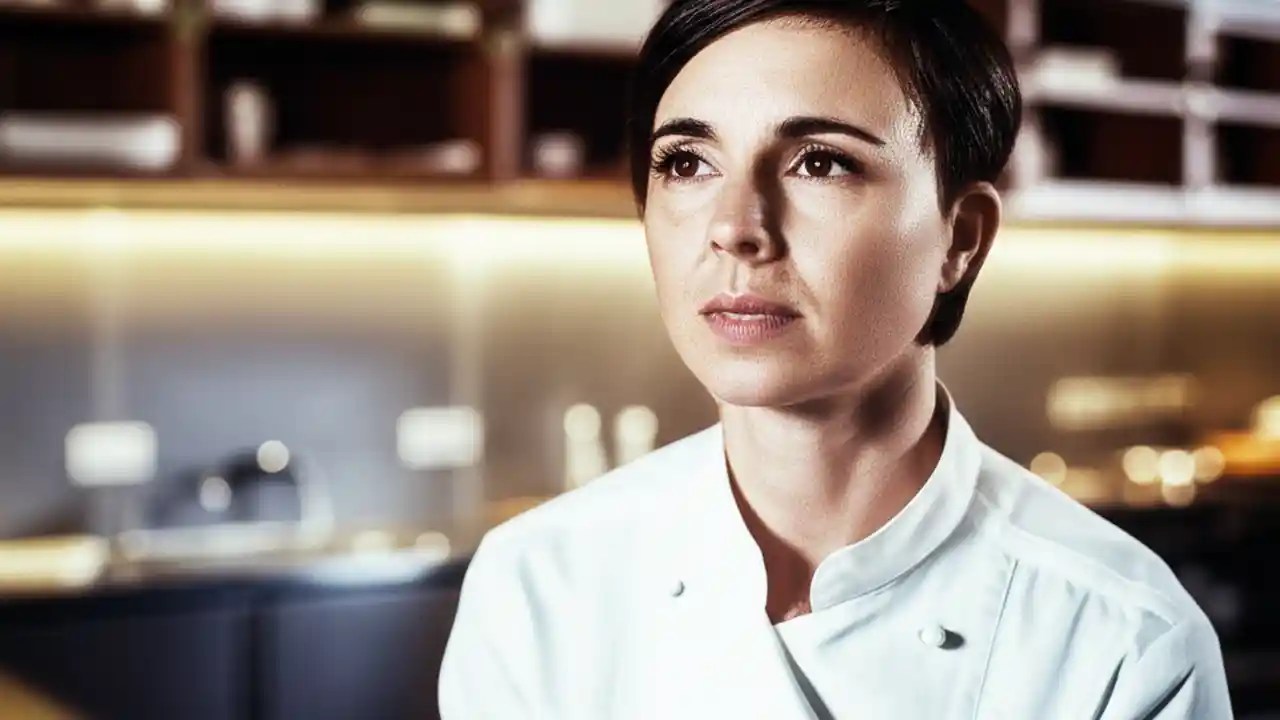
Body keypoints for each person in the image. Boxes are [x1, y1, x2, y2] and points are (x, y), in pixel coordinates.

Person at [439, 1, 1233, 717]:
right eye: (687, 163)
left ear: (960, 239)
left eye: (820, 161)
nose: (736, 227)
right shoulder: (539, 586)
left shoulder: (1124, 643)